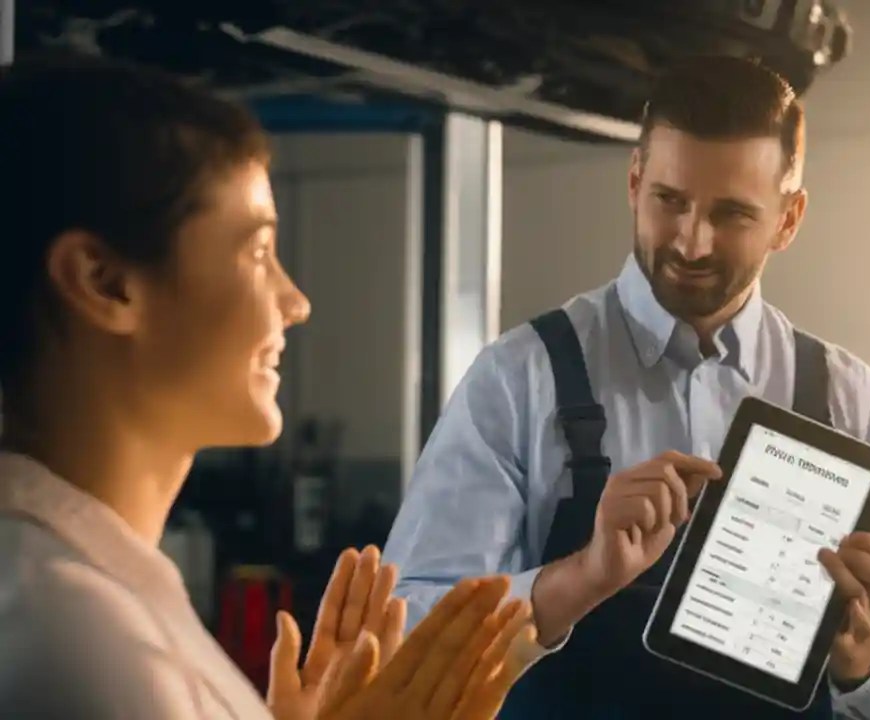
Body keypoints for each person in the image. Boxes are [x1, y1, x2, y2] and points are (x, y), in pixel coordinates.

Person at [384, 55, 870, 719]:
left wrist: (867, 657)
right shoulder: (522, 377)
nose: (692, 241)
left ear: (789, 218)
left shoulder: (850, 402)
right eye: (671, 201)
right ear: (635, 182)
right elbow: (409, 633)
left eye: (732, 215)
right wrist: (579, 579)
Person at [0, 54, 537, 719]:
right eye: (257, 253)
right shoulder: (76, 641)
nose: (296, 300)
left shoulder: (75, 593)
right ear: (105, 282)